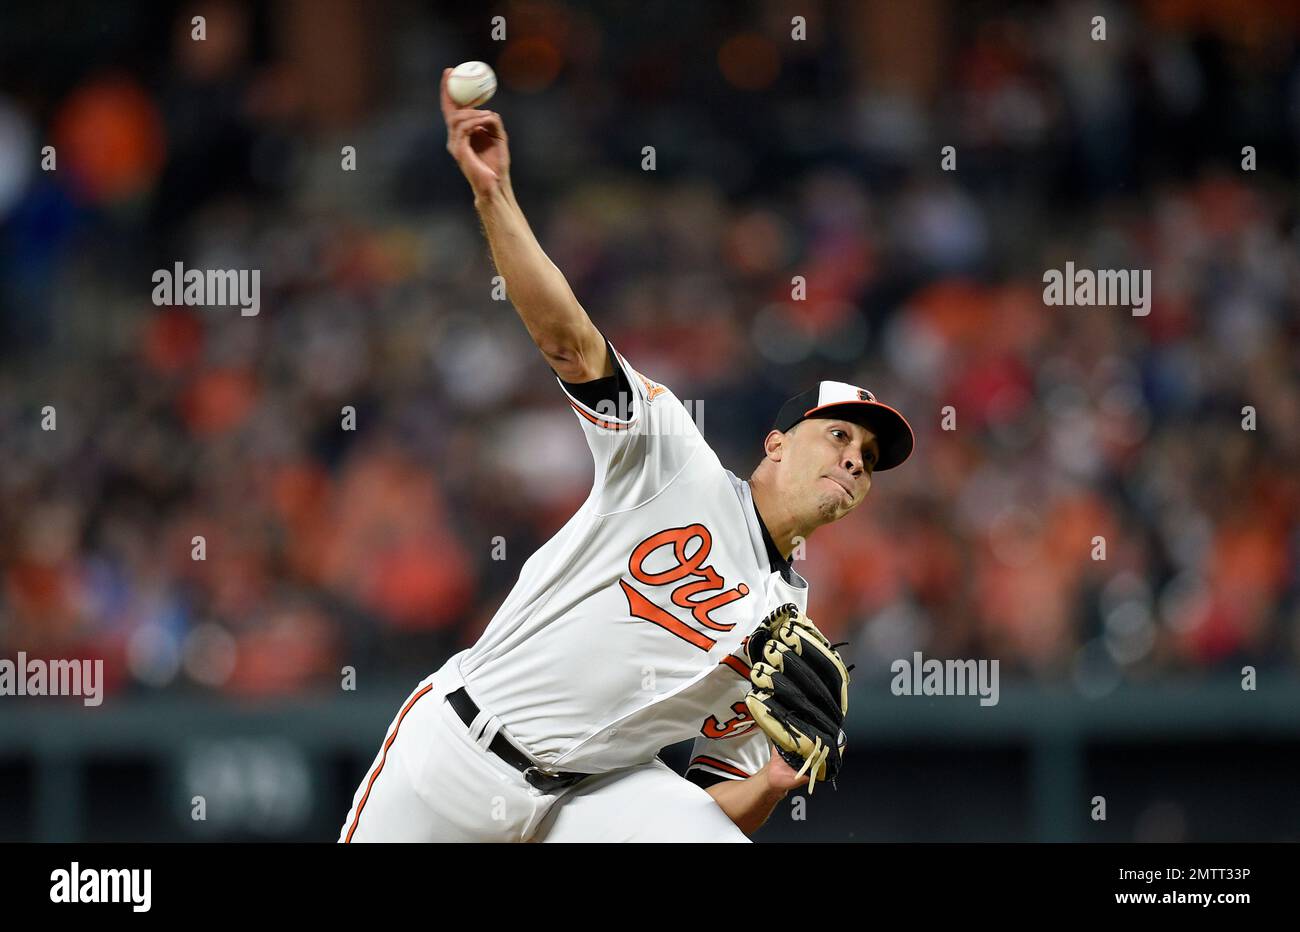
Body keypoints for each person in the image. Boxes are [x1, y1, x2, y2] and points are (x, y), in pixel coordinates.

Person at [338, 69, 914, 843]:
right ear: (777, 443)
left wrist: (774, 782)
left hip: (579, 807)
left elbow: (713, 812)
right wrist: (495, 196)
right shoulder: (673, 459)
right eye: (839, 435)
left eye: (870, 458)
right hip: (456, 755)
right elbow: (570, 344)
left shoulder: (788, 629)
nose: (854, 460)